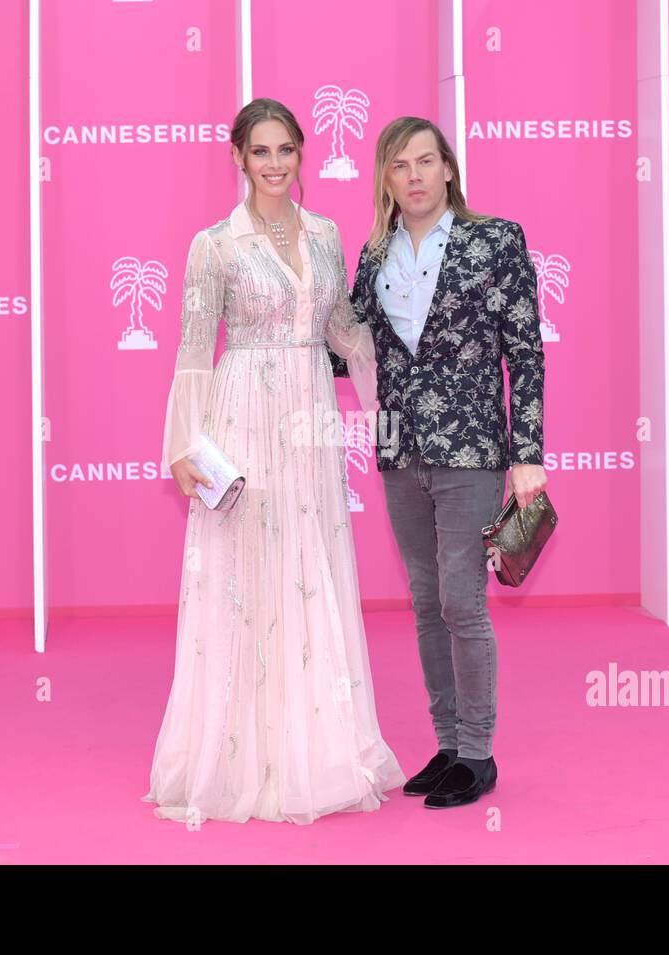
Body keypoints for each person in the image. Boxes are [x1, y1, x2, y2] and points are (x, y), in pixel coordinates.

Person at [142, 98, 405, 825]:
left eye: (286, 149)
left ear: (300, 153)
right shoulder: (214, 246)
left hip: (309, 418)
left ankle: (315, 747)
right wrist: (185, 448)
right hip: (241, 418)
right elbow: (195, 349)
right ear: (237, 156)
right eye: (261, 151)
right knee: (245, 576)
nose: (275, 163)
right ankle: (237, 755)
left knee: (308, 570)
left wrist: (400, 402)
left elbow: (347, 332)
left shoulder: (325, 235)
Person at [350, 117, 547, 809]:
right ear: (386, 178)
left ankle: (478, 752)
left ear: (448, 170)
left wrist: (527, 456)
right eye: (400, 165)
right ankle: (444, 743)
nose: (415, 175)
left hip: (472, 451)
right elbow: (350, 347)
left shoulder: (495, 240)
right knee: (428, 604)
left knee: (463, 602)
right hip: (401, 450)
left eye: (426, 161)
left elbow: (524, 352)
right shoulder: (374, 255)